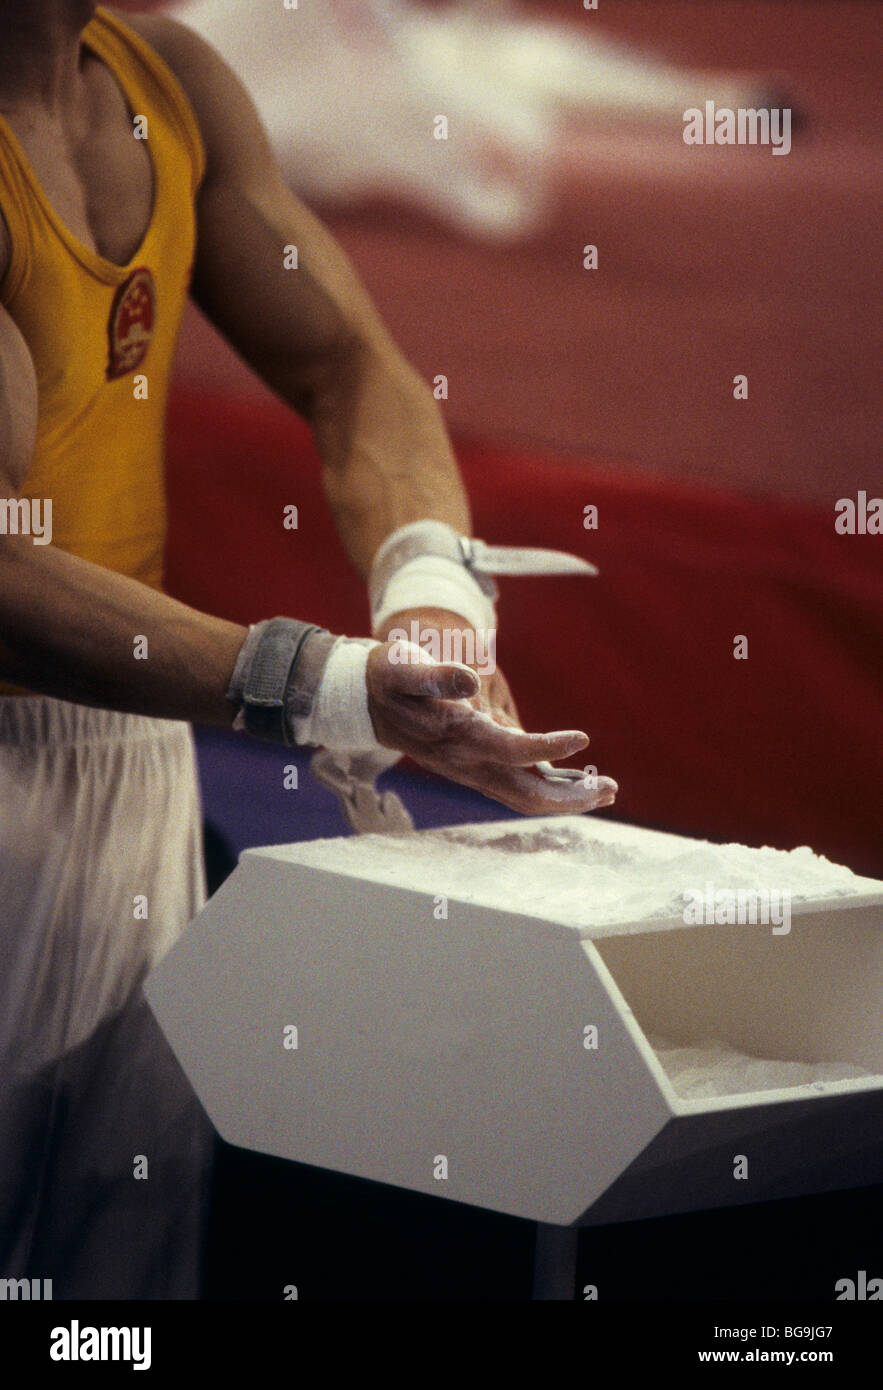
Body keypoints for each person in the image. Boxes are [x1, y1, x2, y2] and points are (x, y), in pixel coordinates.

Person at [0, 2, 616, 1297]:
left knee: (115, 1279)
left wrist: (430, 600)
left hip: (130, 761)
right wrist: (317, 683)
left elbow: (348, 367)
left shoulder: (164, 80)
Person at [170, 0, 784, 239]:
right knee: (528, 78)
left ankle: (717, 99)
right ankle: (714, 101)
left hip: (421, 52)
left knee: (539, 61)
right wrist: (466, 143)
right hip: (375, 78)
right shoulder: (218, 51)